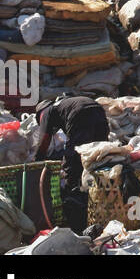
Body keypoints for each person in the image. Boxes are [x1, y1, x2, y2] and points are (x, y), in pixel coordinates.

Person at [34, 95, 110, 230]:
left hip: (80, 114)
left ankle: (73, 199)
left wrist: (37, 162)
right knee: (99, 155)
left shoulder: (46, 112)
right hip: (97, 109)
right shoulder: (62, 107)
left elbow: (44, 140)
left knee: (73, 158)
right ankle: (104, 191)